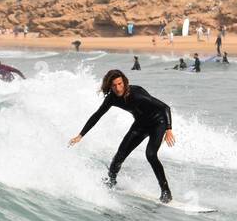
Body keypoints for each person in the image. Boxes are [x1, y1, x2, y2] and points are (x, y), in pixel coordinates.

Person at [69, 68, 174, 202]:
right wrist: (80, 135)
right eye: (114, 85)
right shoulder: (111, 98)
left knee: (151, 154)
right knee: (119, 156)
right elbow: (97, 115)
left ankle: (166, 191)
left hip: (158, 123)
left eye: (120, 84)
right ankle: (111, 182)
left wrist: (169, 129)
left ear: (124, 82)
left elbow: (165, 107)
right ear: (109, 86)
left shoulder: (136, 93)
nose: (118, 88)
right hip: (140, 125)